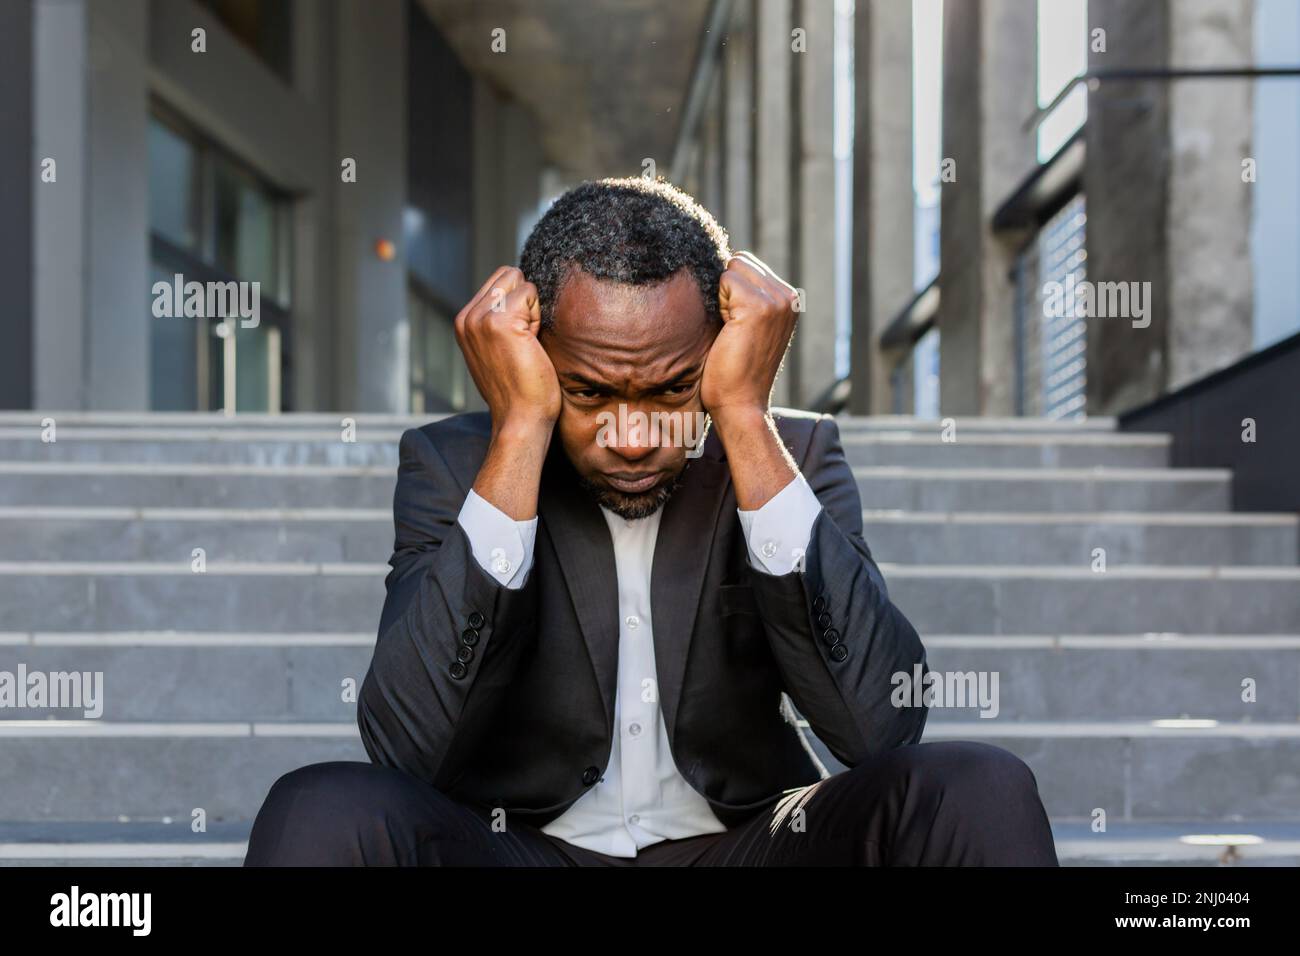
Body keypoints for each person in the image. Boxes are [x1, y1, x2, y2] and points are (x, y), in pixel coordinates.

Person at [244, 177, 1058, 866]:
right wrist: (522, 432)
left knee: (981, 787)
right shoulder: (456, 465)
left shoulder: (791, 452)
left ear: (721, 349)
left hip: (742, 845)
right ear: (531, 352)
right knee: (320, 808)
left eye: (671, 390)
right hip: (522, 847)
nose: (632, 440)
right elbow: (407, 745)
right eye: (590, 393)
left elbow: (878, 725)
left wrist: (741, 415)